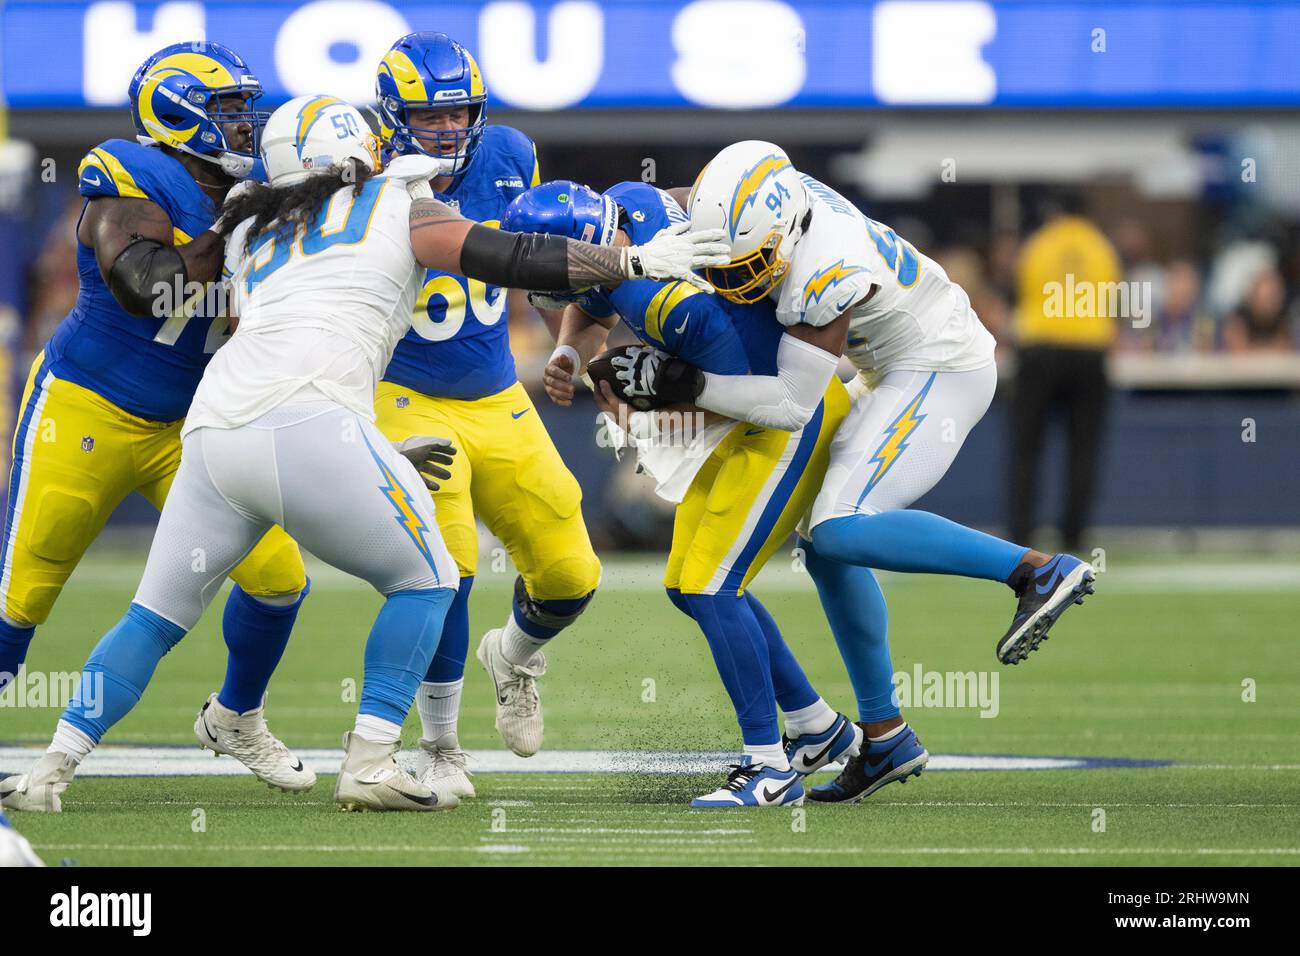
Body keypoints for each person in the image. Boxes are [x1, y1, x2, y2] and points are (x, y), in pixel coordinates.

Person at [0, 96, 730, 815]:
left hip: (216, 429)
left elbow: (259, 325)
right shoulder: (396, 205)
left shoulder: (250, 226)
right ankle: (373, 760)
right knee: (429, 579)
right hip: (311, 422)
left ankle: (51, 769)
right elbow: (503, 253)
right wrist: (628, 256)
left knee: (154, 616)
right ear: (362, 151)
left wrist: (367, 443)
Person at [619, 142, 1096, 802]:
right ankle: (885, 736)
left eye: (750, 267)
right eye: (722, 266)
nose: (733, 284)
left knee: (841, 527)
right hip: (889, 365)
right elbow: (661, 207)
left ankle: (1036, 570)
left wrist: (686, 383)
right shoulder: (753, 204)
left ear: (782, 235)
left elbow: (789, 404)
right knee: (822, 548)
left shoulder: (826, 268)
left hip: (937, 367)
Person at [0, 41, 313, 791]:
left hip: (191, 430)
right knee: (23, 595)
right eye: (230, 111)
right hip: (90, 408)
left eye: (245, 109)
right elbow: (149, 285)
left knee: (279, 577)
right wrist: (232, 229)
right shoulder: (132, 172)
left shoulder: (257, 187)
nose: (246, 126)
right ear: (179, 115)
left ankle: (236, 714)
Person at [508, 179, 868, 808]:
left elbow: (737, 398)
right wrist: (572, 345)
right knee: (685, 582)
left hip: (784, 416)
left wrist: (645, 403)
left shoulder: (667, 303)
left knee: (711, 585)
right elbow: (593, 298)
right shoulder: (621, 206)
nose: (551, 285)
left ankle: (768, 768)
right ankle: (816, 728)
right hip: (753, 407)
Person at [372, 33, 601, 794]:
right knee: (451, 565)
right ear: (391, 116)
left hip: (495, 388)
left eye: (459, 112)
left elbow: (533, 261)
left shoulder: (508, 154)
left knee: (571, 572)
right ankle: (440, 749)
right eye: (429, 116)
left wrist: (561, 342)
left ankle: (514, 657)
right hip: (400, 388)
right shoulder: (363, 172)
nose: (447, 129)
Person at [1009, 190, 1120, 550]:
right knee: (1084, 449)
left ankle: (1021, 532)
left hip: (1039, 348)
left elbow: (1020, 292)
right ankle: (1074, 534)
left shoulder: (1038, 245)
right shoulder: (1101, 248)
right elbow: (1112, 300)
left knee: (1026, 447)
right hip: (1089, 350)